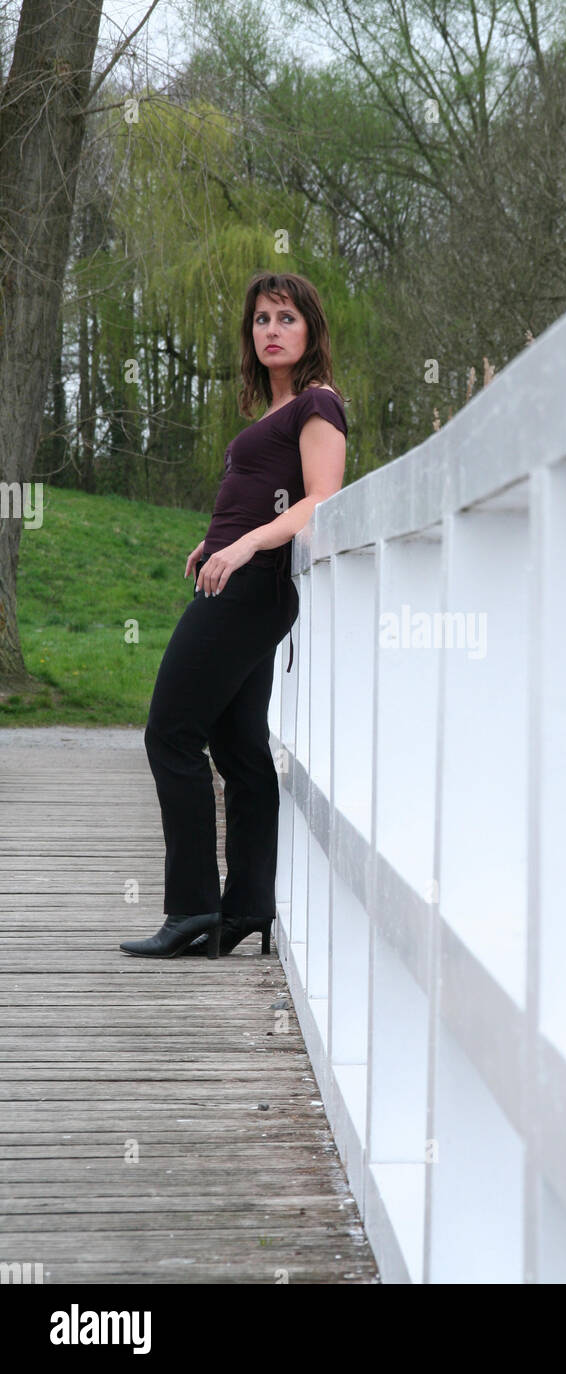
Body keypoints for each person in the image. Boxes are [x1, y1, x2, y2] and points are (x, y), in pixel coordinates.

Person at [120, 271, 347, 959]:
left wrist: (244, 544)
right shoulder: (274, 415)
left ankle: (192, 910)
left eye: (286, 317)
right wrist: (215, 539)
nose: (271, 330)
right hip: (241, 583)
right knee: (241, 749)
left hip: (252, 588)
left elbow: (320, 501)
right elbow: (267, 494)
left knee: (170, 734)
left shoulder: (318, 404)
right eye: (260, 320)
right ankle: (247, 906)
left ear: (309, 329)